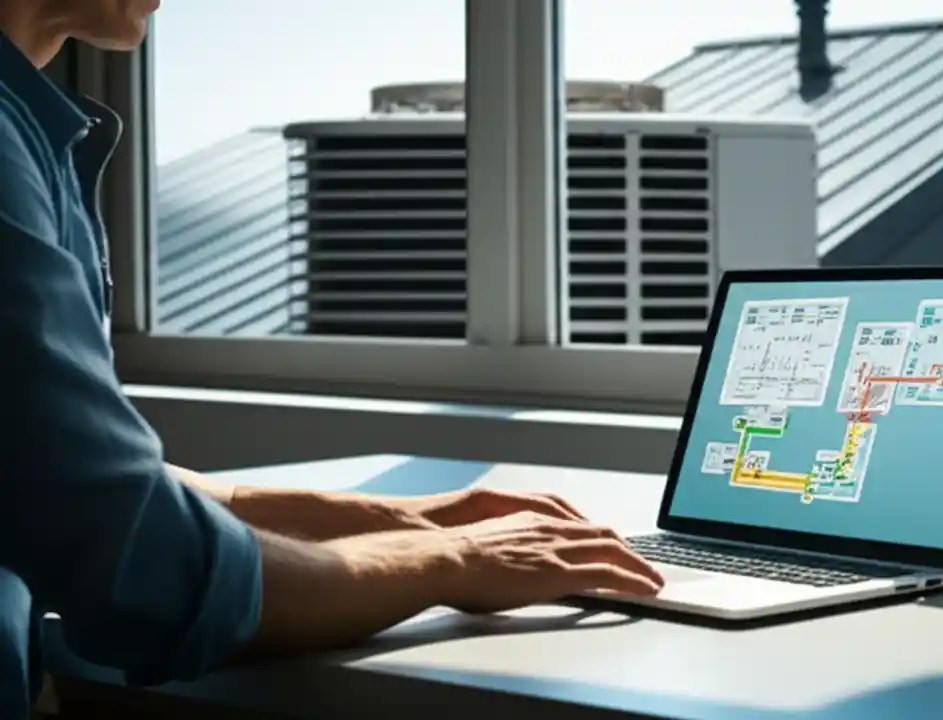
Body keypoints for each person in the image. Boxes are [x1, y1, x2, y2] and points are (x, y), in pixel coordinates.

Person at [0, 1, 663, 715]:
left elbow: (69, 475)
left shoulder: (29, 130)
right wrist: (453, 562)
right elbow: (146, 571)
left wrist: (414, 519)